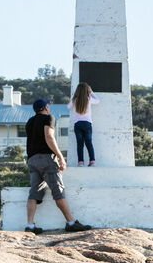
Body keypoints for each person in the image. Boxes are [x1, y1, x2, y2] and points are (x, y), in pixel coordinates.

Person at [24, 98, 92, 234]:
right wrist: (60, 157)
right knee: (58, 191)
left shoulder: (29, 122)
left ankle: (30, 225)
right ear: (45, 107)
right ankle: (71, 223)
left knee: (33, 193)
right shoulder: (49, 117)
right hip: (46, 159)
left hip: (32, 159)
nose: (49, 107)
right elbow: (49, 137)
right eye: (47, 105)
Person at [67, 82, 99, 166]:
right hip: (87, 124)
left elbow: (68, 107)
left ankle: (80, 162)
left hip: (77, 124)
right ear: (86, 90)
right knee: (89, 143)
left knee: (80, 144)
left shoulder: (75, 100)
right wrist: (91, 92)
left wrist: (74, 96)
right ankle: (92, 161)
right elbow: (98, 100)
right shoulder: (89, 99)